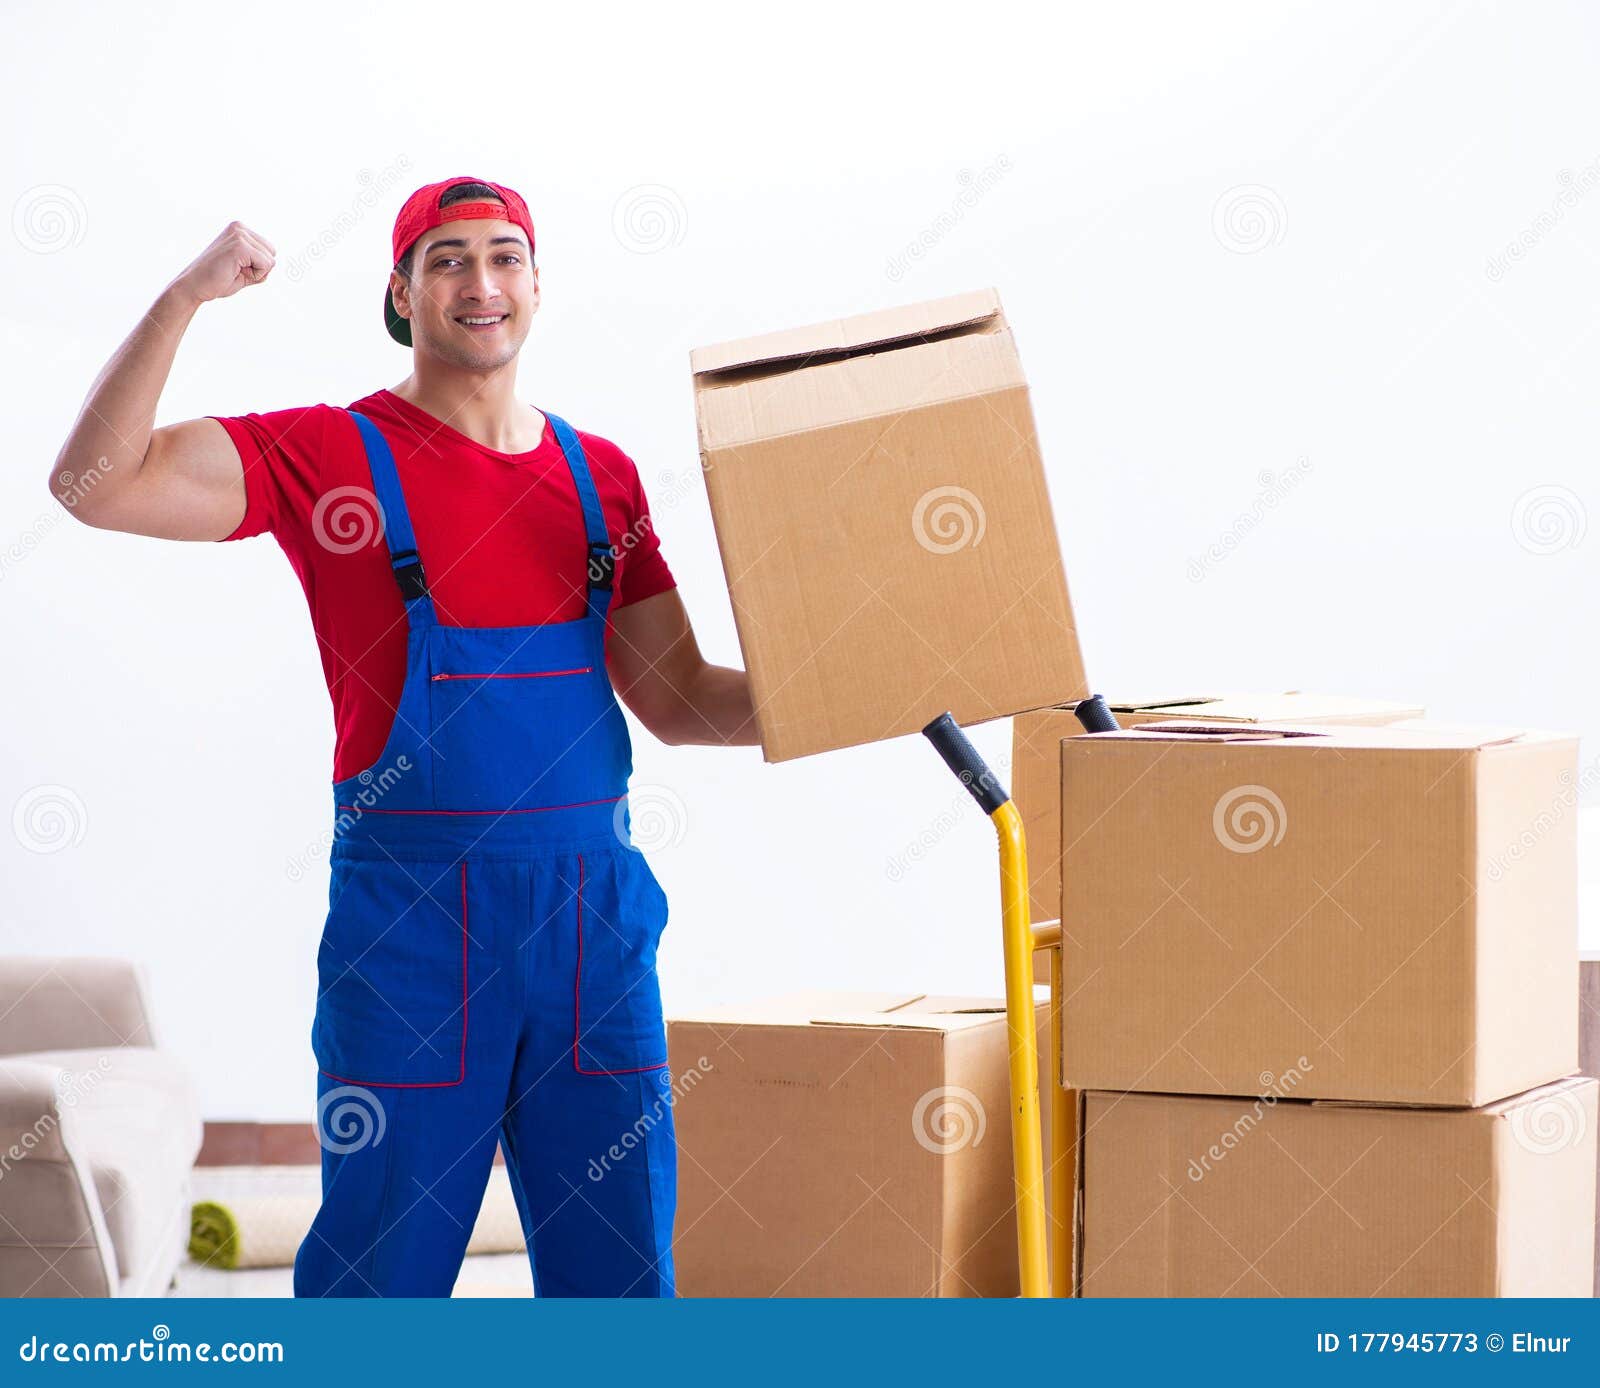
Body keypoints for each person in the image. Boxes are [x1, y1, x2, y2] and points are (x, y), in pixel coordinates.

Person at [49, 175, 758, 1297]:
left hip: (594, 933)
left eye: (504, 254)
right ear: (402, 291)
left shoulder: (599, 478)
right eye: (447, 259)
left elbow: (679, 698)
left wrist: (864, 689)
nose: (482, 281)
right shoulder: (330, 455)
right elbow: (96, 484)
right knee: (382, 1269)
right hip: (416, 935)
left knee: (620, 1268)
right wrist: (185, 297)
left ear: (535, 283)